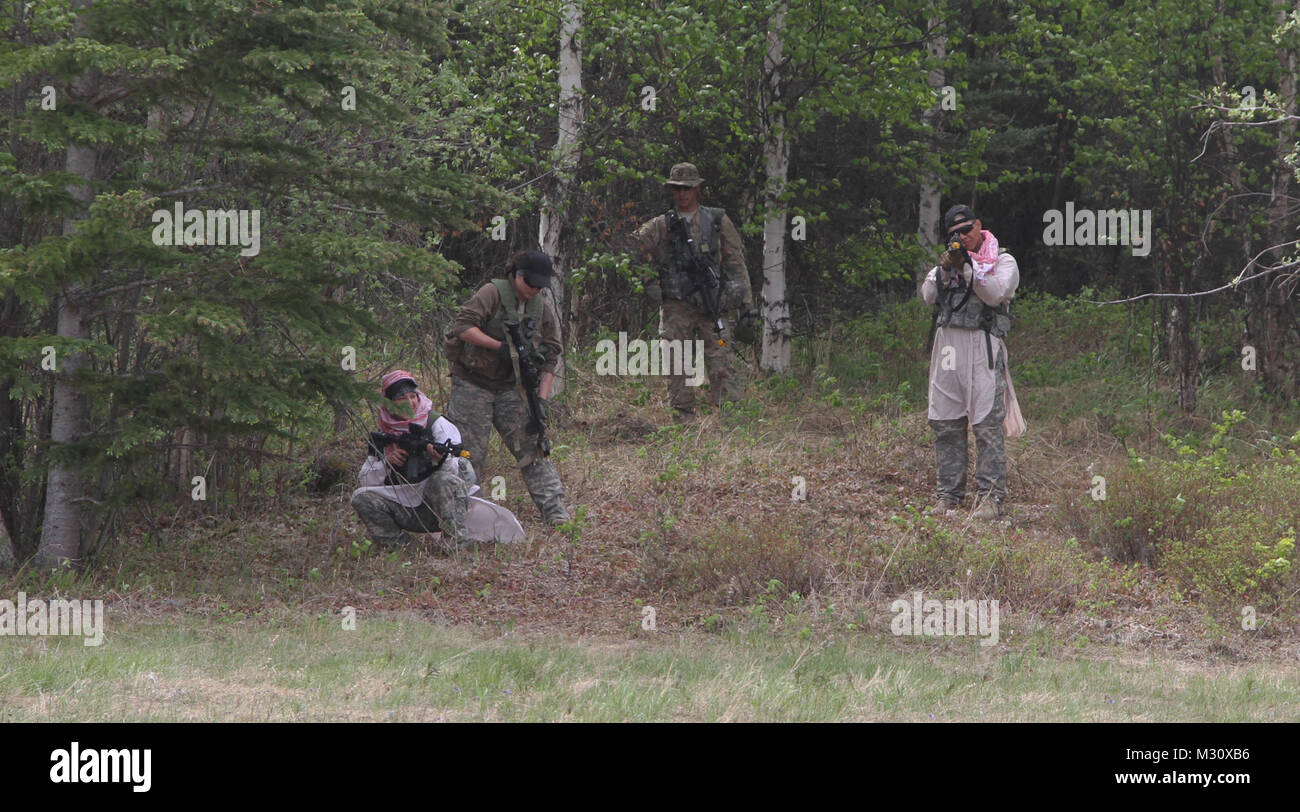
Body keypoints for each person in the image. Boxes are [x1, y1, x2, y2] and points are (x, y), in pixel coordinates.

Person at [443, 250, 570, 526]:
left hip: (512, 389)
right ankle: (460, 517)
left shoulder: (541, 307)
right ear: (516, 275)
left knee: (534, 447)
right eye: (530, 283)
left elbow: (551, 355)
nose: (534, 290)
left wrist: (541, 400)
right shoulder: (492, 293)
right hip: (473, 384)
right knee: (467, 455)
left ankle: (556, 512)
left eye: (539, 286)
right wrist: (500, 348)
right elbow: (463, 327)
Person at [920, 204, 1022, 520]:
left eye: (966, 230)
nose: (962, 237)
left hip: (983, 346)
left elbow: (995, 293)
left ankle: (992, 500)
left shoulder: (1003, 260)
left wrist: (968, 269)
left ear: (979, 225)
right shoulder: (947, 263)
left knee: (986, 422)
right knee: (946, 422)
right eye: (955, 233)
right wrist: (945, 269)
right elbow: (927, 296)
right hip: (949, 346)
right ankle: (948, 496)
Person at [633, 162, 757, 419]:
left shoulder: (717, 220)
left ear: (697, 188)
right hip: (676, 307)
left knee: (721, 354)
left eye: (688, 188)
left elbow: (736, 262)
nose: (683, 194)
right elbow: (634, 250)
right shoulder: (661, 225)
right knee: (677, 360)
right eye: (677, 188)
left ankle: (730, 415)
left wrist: (746, 303)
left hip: (713, 305)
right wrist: (649, 284)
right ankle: (683, 417)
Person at [351, 370, 474, 549]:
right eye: (401, 399)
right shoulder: (384, 433)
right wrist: (387, 464)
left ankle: (455, 544)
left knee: (443, 479)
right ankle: (403, 549)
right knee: (360, 498)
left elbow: (458, 475)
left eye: (413, 396)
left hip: (443, 507)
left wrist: (438, 460)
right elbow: (365, 480)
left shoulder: (437, 424)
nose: (410, 403)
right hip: (407, 507)